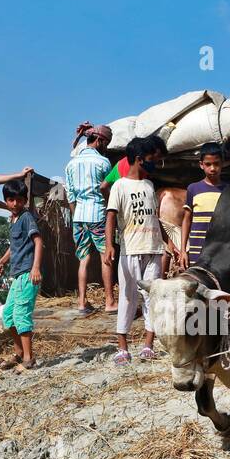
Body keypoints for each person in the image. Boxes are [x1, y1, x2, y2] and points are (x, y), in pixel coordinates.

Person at [105, 137, 167, 364]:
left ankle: (148, 345)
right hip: (130, 251)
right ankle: (122, 346)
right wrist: (109, 245)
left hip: (153, 250)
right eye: (152, 159)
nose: (155, 164)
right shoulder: (120, 186)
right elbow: (111, 215)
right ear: (140, 160)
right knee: (128, 298)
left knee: (152, 297)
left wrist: (167, 243)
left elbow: (155, 218)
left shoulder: (150, 186)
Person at [64, 123, 116, 313]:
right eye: (107, 143)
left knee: (83, 259)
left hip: (79, 216)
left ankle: (81, 302)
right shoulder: (103, 163)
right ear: (100, 140)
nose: (107, 147)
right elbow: (106, 190)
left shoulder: (70, 164)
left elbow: (70, 197)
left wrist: (75, 214)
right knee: (106, 257)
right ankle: (110, 301)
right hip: (98, 214)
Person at [0, 179, 43, 373]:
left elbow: (38, 242)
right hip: (17, 275)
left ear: (24, 201)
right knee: (8, 315)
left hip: (28, 275)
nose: (15, 204)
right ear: (6, 200)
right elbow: (15, 247)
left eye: (20, 200)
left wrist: (36, 268)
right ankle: (20, 352)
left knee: (21, 316)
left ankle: (29, 359)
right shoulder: (13, 220)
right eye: (11, 200)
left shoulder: (26, 217)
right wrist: (2, 260)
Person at [180, 142, 226, 266]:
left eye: (216, 164)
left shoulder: (229, 190)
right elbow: (187, 220)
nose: (212, 168)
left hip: (221, 251)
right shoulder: (193, 189)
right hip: (196, 251)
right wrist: (183, 250)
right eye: (208, 164)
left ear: (222, 164)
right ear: (201, 165)